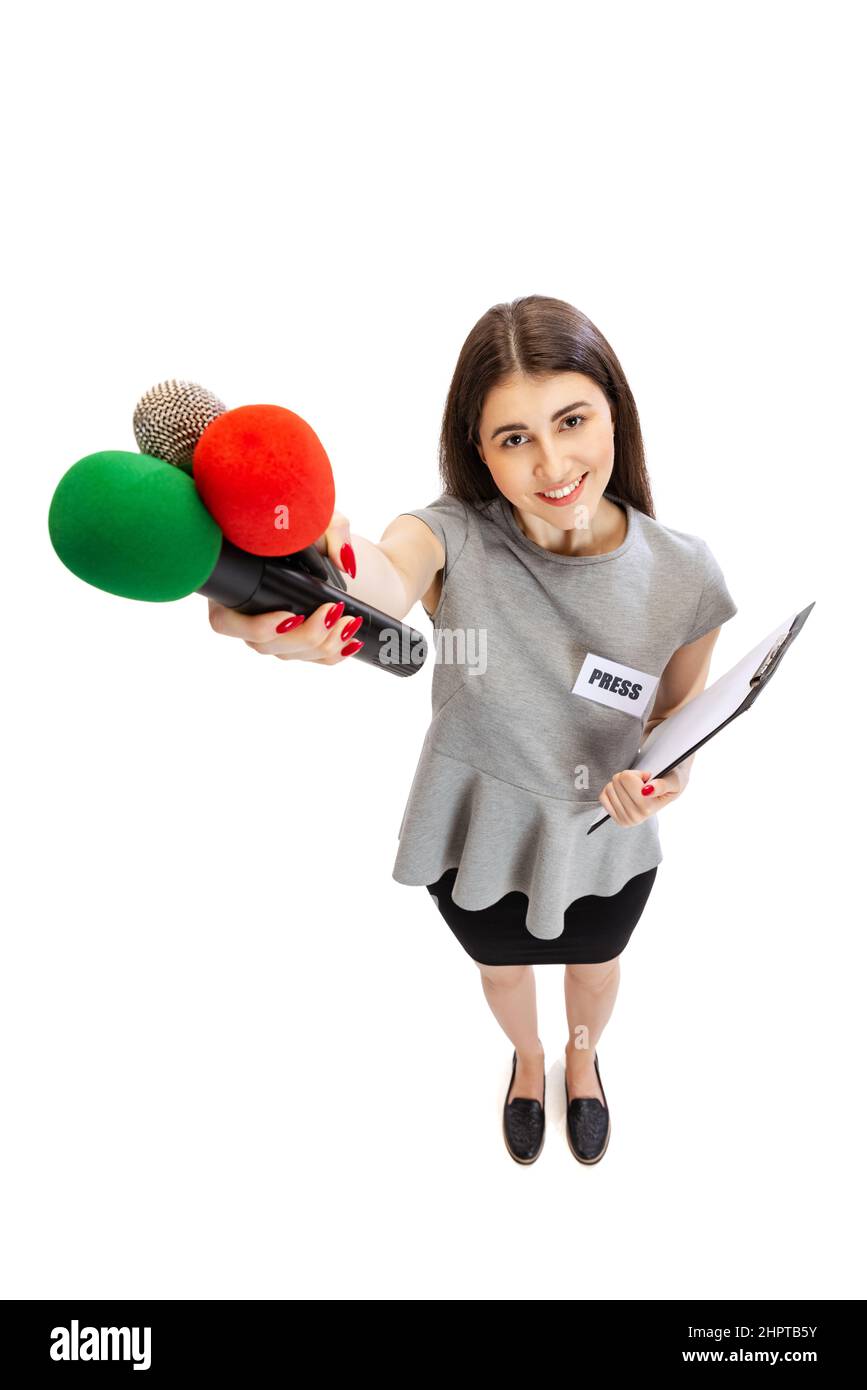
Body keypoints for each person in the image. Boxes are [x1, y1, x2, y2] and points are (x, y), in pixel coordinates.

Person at [207, 295, 738, 1167]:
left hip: (604, 839)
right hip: (475, 830)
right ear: (479, 450)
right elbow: (382, 574)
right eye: (514, 438)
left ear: (616, 412)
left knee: (595, 968)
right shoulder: (450, 533)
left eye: (571, 420)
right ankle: (527, 1061)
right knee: (499, 968)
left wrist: (666, 780)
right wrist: (317, 581)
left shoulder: (684, 571)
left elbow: (681, 718)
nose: (554, 463)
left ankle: (580, 1057)